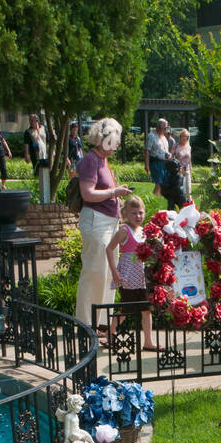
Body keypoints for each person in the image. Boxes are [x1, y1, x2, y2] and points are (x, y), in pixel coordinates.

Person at [75, 117, 131, 332]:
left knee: (109, 273)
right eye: (115, 140)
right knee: (94, 271)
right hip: (95, 222)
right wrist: (114, 192)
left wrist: (117, 194)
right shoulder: (90, 159)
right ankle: (85, 323)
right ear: (105, 139)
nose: (117, 144)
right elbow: (87, 193)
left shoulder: (103, 160)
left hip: (109, 222)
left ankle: (101, 323)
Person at [108, 194, 157, 354]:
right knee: (125, 309)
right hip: (128, 276)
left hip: (142, 277)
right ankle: (110, 335)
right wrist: (115, 272)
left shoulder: (144, 232)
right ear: (126, 214)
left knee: (146, 308)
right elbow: (109, 248)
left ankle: (148, 341)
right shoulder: (124, 231)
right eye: (134, 213)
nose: (138, 216)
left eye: (140, 212)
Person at [145, 118, 173, 194]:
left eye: (167, 127)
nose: (166, 129)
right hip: (156, 162)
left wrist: (169, 154)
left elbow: (166, 150)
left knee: (164, 183)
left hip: (164, 162)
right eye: (165, 127)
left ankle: (159, 196)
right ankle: (155, 196)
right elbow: (147, 151)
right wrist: (146, 165)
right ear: (159, 126)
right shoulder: (152, 136)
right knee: (159, 183)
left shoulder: (164, 137)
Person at [23, 113, 47, 178]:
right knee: (37, 172)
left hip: (45, 154)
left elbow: (48, 141)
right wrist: (27, 154)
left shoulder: (43, 129)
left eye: (32, 120)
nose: (30, 122)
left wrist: (52, 151)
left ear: (37, 120)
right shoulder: (28, 132)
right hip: (35, 155)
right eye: (29, 120)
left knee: (46, 172)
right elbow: (26, 144)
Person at [173, 129, 192, 200]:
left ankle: (189, 206)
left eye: (187, 136)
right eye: (183, 136)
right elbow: (171, 157)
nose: (185, 138)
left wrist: (191, 171)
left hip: (187, 171)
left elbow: (190, 161)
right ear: (180, 137)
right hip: (178, 171)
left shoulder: (189, 147)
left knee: (188, 191)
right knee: (179, 190)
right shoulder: (176, 146)